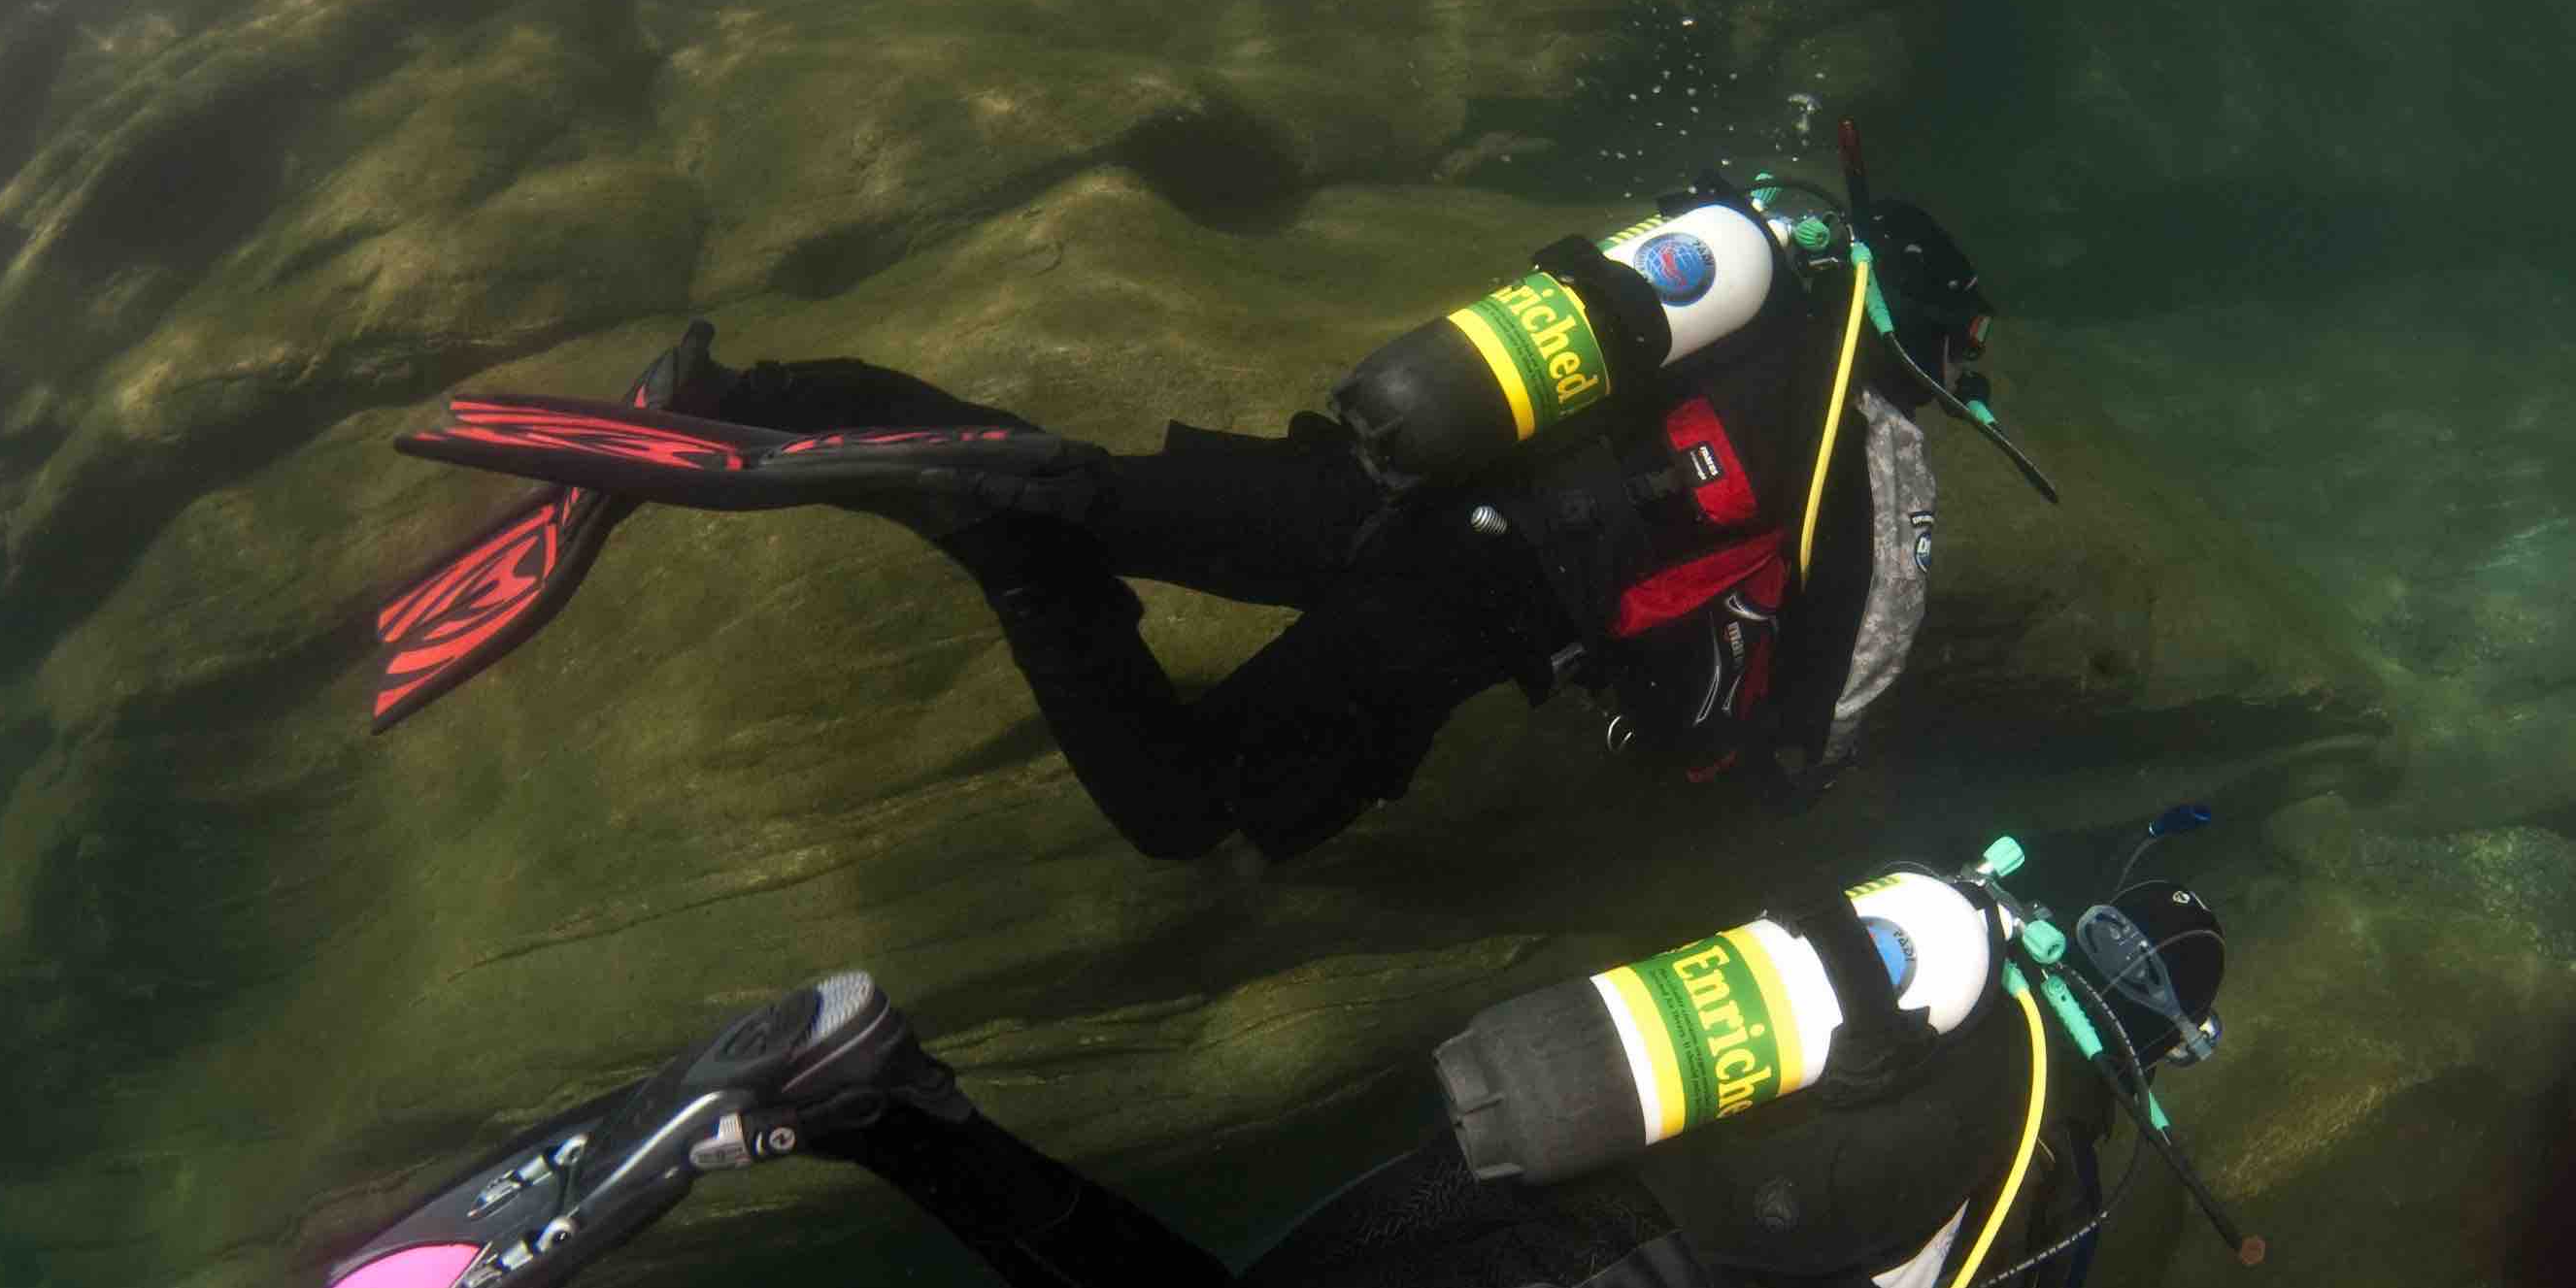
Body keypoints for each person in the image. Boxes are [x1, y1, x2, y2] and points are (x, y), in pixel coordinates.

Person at [298, 835, 2235, 1288]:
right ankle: (882, 1105)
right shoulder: (2053, 1166)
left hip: (1551, 1134)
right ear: (2166, 1048)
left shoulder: (1954, 943)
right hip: (1610, 1277)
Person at [370, 173, 2045, 864]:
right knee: (1189, 811)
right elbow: (1827, 703)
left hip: (1369, 473)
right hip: (1469, 610)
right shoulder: (1882, 455)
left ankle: (744, 390)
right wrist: (1753, 751)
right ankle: (988, 533)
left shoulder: (1740, 285)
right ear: (1933, 345)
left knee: (1095, 482)